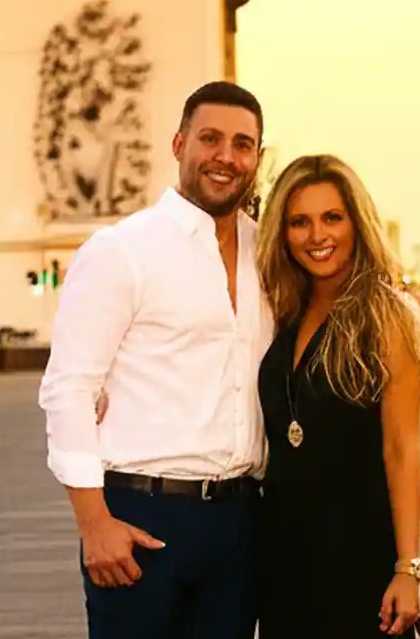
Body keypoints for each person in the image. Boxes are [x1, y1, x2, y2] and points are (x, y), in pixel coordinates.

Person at [37, 81, 273, 639]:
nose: (225, 156)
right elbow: (68, 388)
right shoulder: (122, 251)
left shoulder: (270, 254)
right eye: (210, 139)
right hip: (141, 515)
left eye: (242, 144)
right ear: (178, 144)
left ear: (257, 158)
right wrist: (94, 524)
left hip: (240, 522)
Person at [254, 154, 420, 638]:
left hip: (357, 553)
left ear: (357, 222)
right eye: (300, 222)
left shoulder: (386, 316)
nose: (318, 236)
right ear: (282, 232)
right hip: (282, 556)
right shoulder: (281, 311)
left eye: (332, 217)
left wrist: (408, 568)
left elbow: (401, 448)